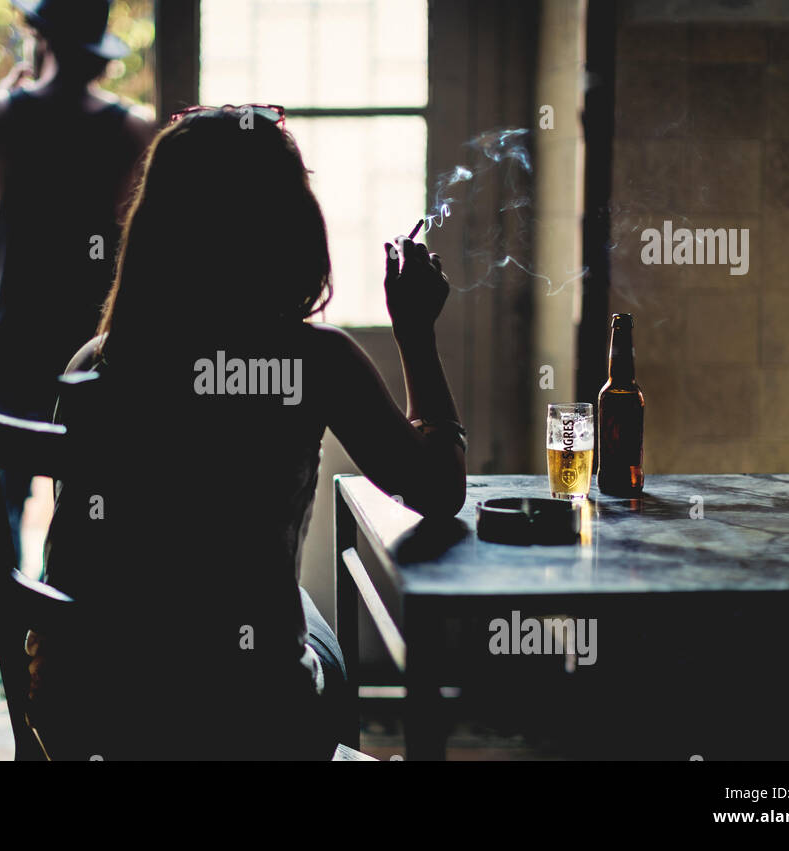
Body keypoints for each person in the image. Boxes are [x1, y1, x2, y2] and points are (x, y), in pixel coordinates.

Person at [30, 105, 468, 761]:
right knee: (316, 637)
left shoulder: (94, 363)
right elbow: (439, 487)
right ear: (286, 229)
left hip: (102, 719)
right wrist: (414, 332)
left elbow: (87, 555)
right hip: (253, 722)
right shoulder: (313, 362)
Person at [0, 0, 154, 566]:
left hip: (11, 341)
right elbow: (147, 236)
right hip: (95, 348)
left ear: (42, 39)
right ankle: (70, 641)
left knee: (2, 509)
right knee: (89, 508)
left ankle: (16, 645)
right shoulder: (132, 128)